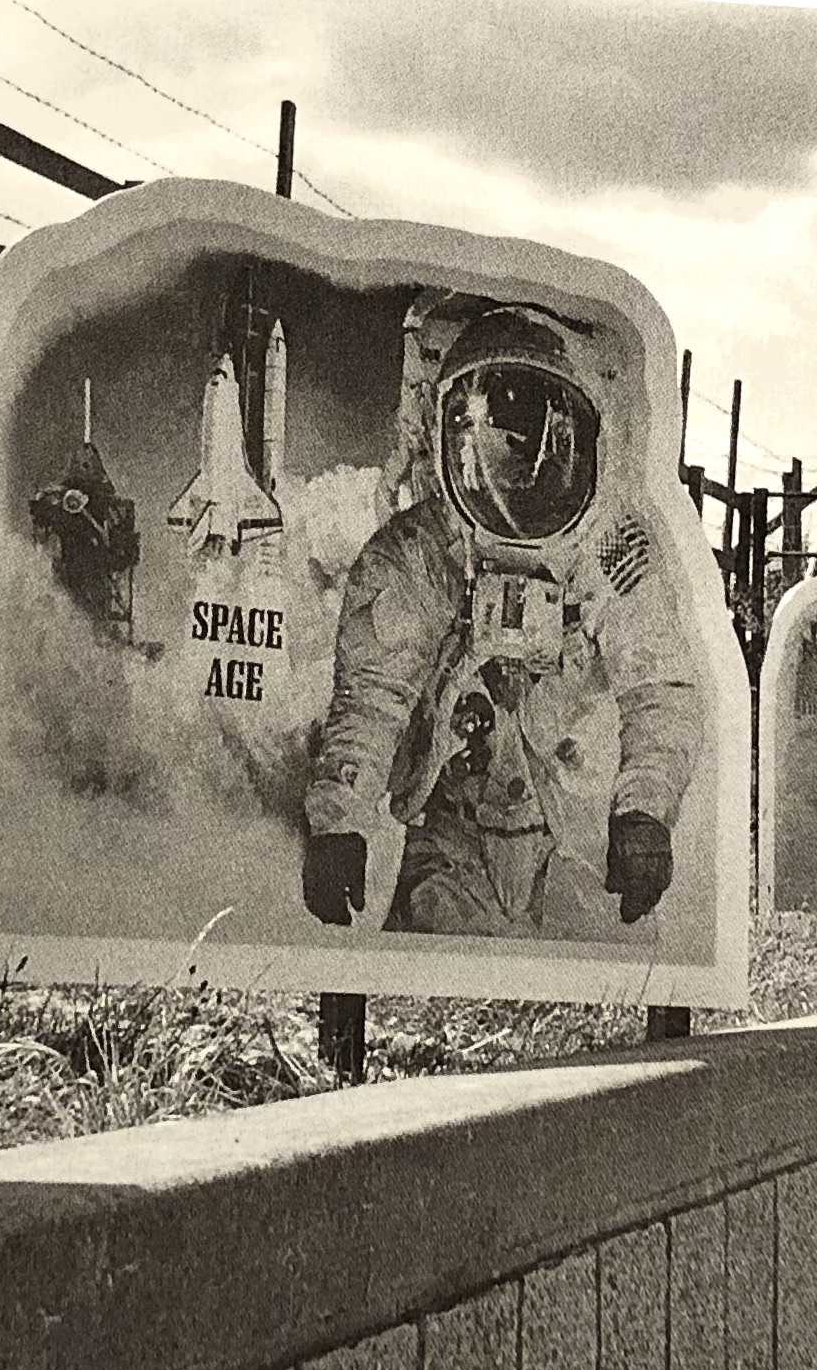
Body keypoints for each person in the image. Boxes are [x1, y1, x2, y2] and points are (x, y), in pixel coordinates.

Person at [299, 303, 701, 939]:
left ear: (574, 438)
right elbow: (371, 698)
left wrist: (645, 811)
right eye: (485, 431)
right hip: (448, 830)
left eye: (526, 435)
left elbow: (659, 689)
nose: (512, 470)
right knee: (436, 961)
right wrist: (339, 817)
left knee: (610, 971)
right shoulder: (421, 552)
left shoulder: (608, 547)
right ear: (449, 432)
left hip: (572, 831)